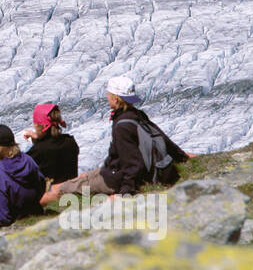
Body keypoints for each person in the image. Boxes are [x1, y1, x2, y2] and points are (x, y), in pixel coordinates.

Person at [41, 76, 188, 207]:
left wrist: (125, 194)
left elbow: (132, 164)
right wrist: (182, 156)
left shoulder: (122, 126)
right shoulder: (135, 114)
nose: (107, 97)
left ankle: (35, 212)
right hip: (113, 169)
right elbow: (160, 136)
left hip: (116, 178)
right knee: (81, 177)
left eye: (109, 95)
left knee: (60, 189)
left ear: (116, 99)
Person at [0, 123, 45, 229]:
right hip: (34, 212)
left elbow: (1, 218)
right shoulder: (28, 160)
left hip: (12, 221)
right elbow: (41, 185)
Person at [22, 103, 79, 186]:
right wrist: (38, 139)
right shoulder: (70, 141)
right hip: (71, 192)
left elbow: (20, 168)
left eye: (35, 123)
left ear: (43, 125)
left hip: (50, 196)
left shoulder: (39, 150)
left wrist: (37, 143)